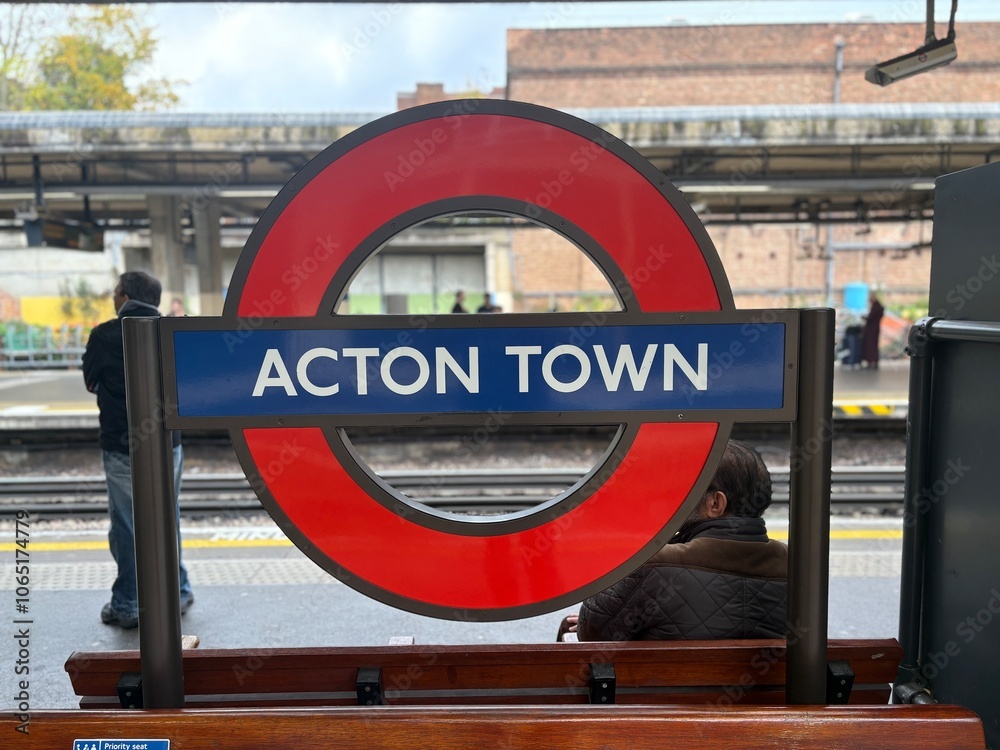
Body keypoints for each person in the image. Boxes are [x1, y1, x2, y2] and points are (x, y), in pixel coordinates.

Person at [570, 439, 787, 641]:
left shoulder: (653, 564)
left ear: (715, 504)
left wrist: (643, 533)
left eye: (684, 489)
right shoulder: (795, 569)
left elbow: (591, 632)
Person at [83, 271, 194, 629]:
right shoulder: (173, 332)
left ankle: (129, 602)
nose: (113, 298)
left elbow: (90, 382)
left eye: (115, 292)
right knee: (166, 516)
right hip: (170, 445)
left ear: (125, 295)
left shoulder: (103, 335)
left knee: (128, 525)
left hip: (122, 446)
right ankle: (176, 590)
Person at [862, 292, 884, 370]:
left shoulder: (875, 307)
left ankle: (871, 361)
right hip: (876, 328)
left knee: (870, 346)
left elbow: (870, 318)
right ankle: (874, 361)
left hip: (871, 329)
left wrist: (864, 317)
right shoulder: (880, 307)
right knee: (874, 345)